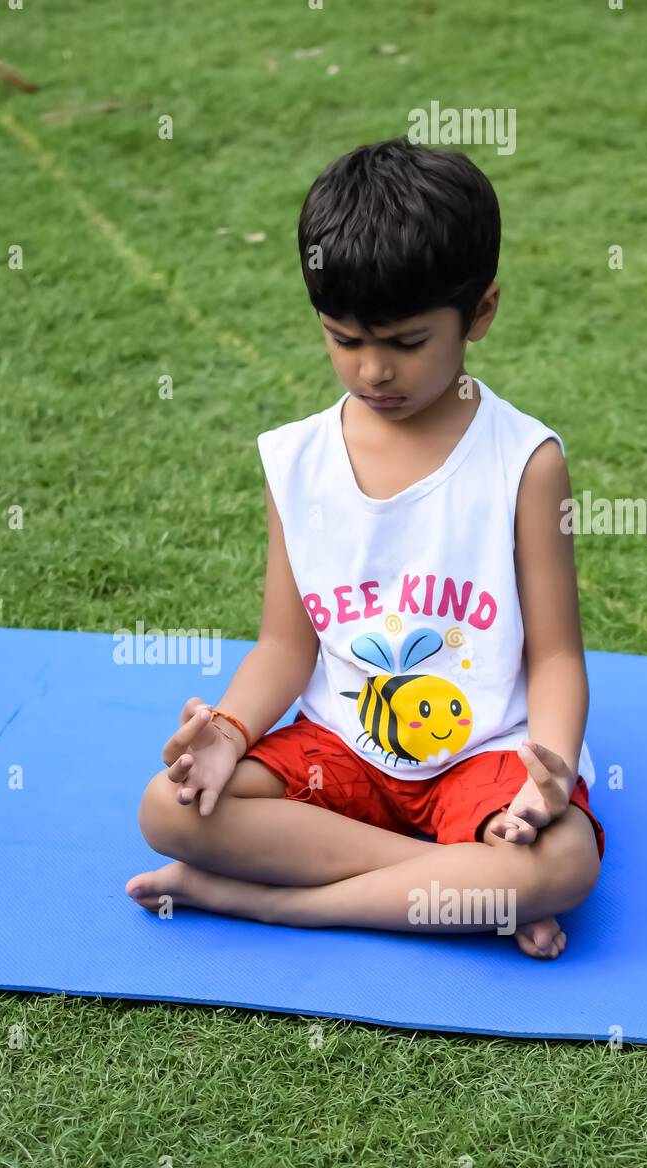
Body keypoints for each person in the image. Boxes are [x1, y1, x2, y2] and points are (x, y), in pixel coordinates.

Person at [126, 139, 605, 961]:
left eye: (407, 342)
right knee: (166, 810)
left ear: (480, 313)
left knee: (566, 860)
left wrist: (549, 770)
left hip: (481, 760)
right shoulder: (296, 459)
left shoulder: (526, 461)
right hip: (338, 753)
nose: (373, 369)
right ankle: (471, 890)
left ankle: (274, 905)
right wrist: (231, 733)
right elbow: (285, 644)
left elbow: (557, 655)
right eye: (343, 338)